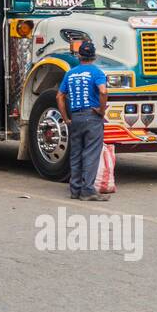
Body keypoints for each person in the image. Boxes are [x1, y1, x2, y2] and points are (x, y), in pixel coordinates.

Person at [57, 39, 109, 201]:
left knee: (76, 153)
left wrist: (66, 118)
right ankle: (87, 190)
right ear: (94, 57)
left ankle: (75, 190)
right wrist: (101, 110)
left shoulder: (70, 73)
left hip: (76, 117)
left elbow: (59, 96)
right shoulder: (97, 72)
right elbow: (103, 91)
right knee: (91, 154)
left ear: (79, 56)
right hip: (92, 117)